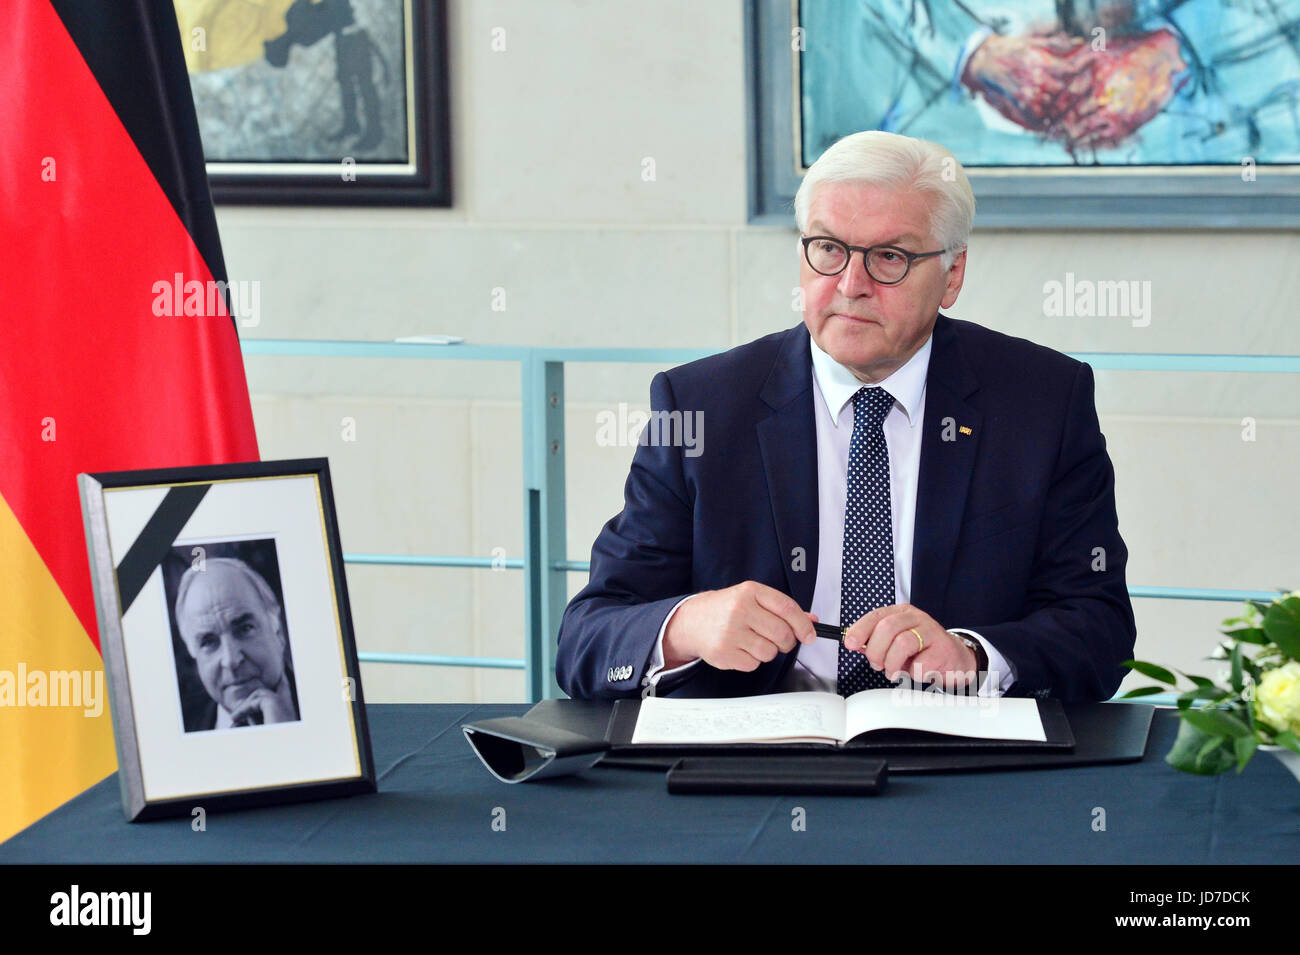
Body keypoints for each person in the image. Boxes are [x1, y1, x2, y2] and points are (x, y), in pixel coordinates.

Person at [556, 130, 1136, 702]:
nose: (852, 285)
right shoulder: (700, 404)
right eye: (829, 249)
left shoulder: (1042, 401)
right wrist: (685, 626)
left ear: (952, 276)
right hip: (750, 759)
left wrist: (974, 656)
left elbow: (1098, 626)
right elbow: (587, 639)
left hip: (956, 758)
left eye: (890, 257)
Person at [174, 557, 300, 730]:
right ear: (193, 652)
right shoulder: (182, 726)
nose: (230, 660)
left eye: (245, 629)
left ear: (278, 632)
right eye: (208, 642)